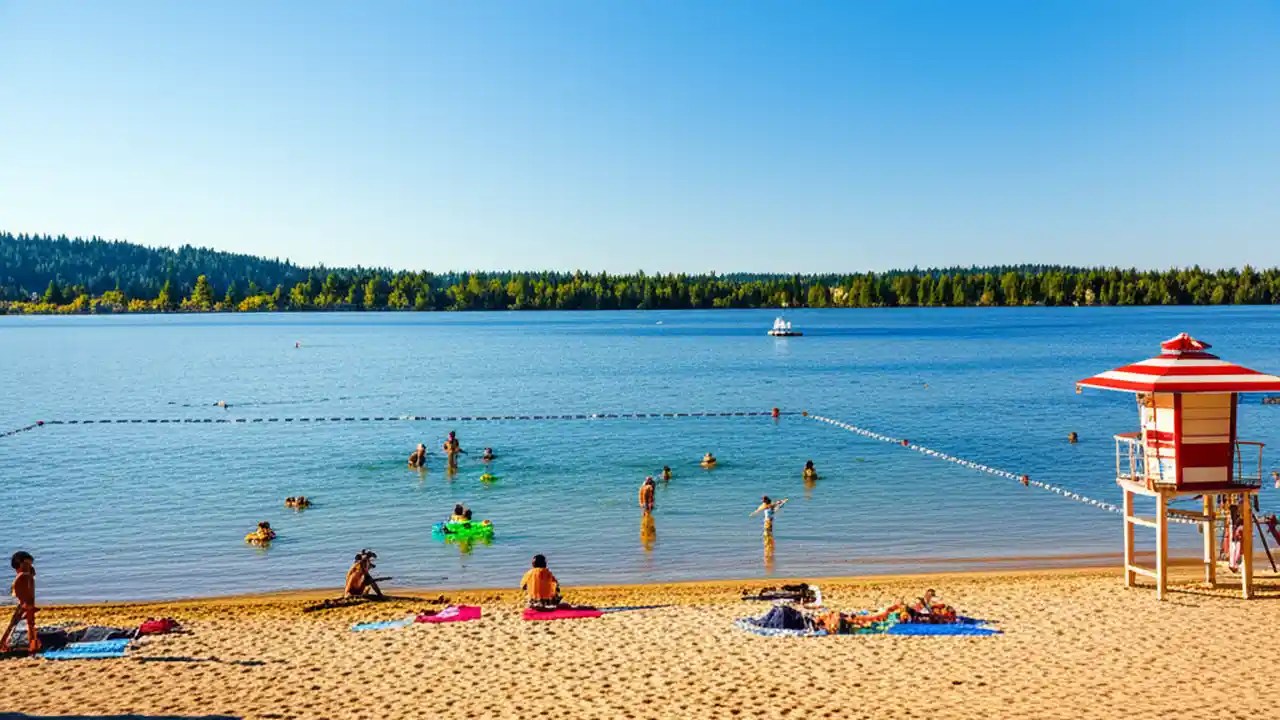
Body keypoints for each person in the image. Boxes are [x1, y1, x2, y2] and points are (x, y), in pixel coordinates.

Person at [0, 551, 39, 654]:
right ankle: (5, 644)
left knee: (27, 625)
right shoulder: (23, 576)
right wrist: (26, 604)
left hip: (26, 603)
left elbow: (29, 591)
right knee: (21, 625)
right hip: (24, 604)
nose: (30, 567)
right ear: (20, 565)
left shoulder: (27, 576)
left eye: (30, 565)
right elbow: (21, 592)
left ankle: (32, 644)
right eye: (27, 564)